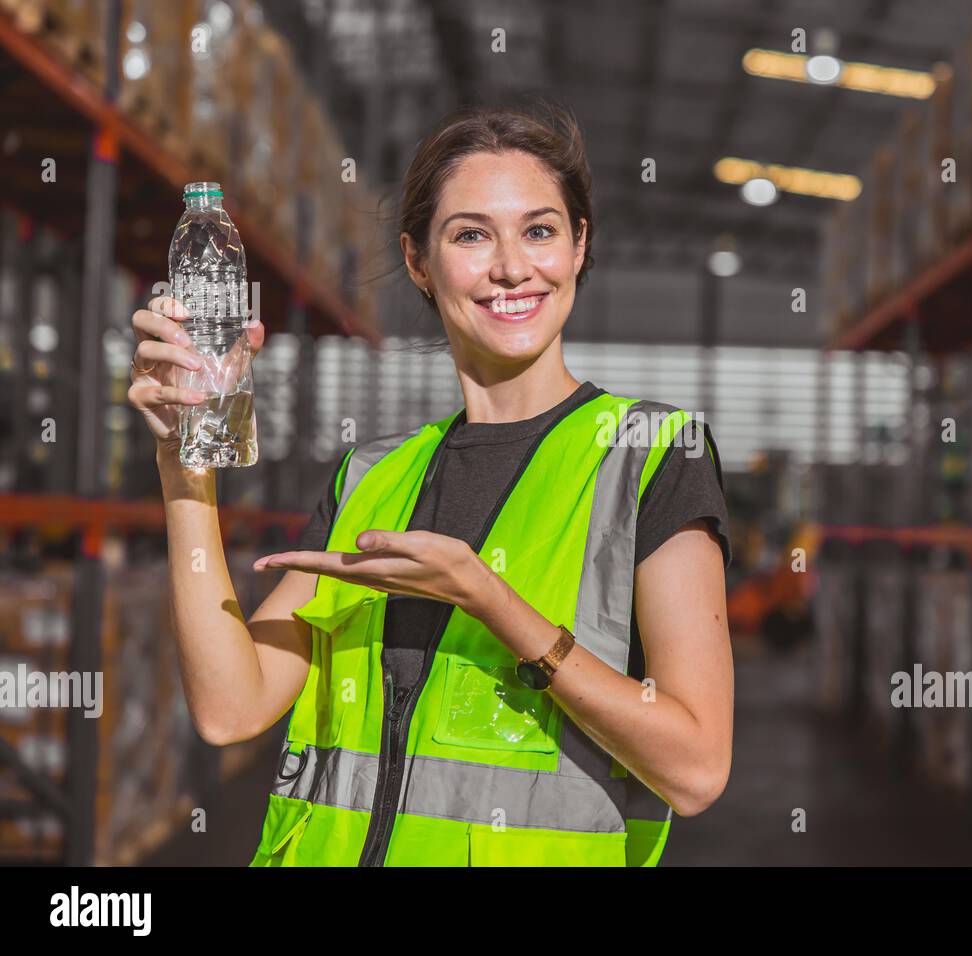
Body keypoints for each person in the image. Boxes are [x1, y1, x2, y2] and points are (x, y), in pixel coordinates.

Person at [127, 99, 735, 867]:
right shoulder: (371, 476)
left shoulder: (649, 456)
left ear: (580, 246)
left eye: (540, 230)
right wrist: (184, 471)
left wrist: (491, 602)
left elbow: (696, 769)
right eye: (472, 234)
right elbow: (228, 708)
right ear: (419, 260)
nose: (512, 266)